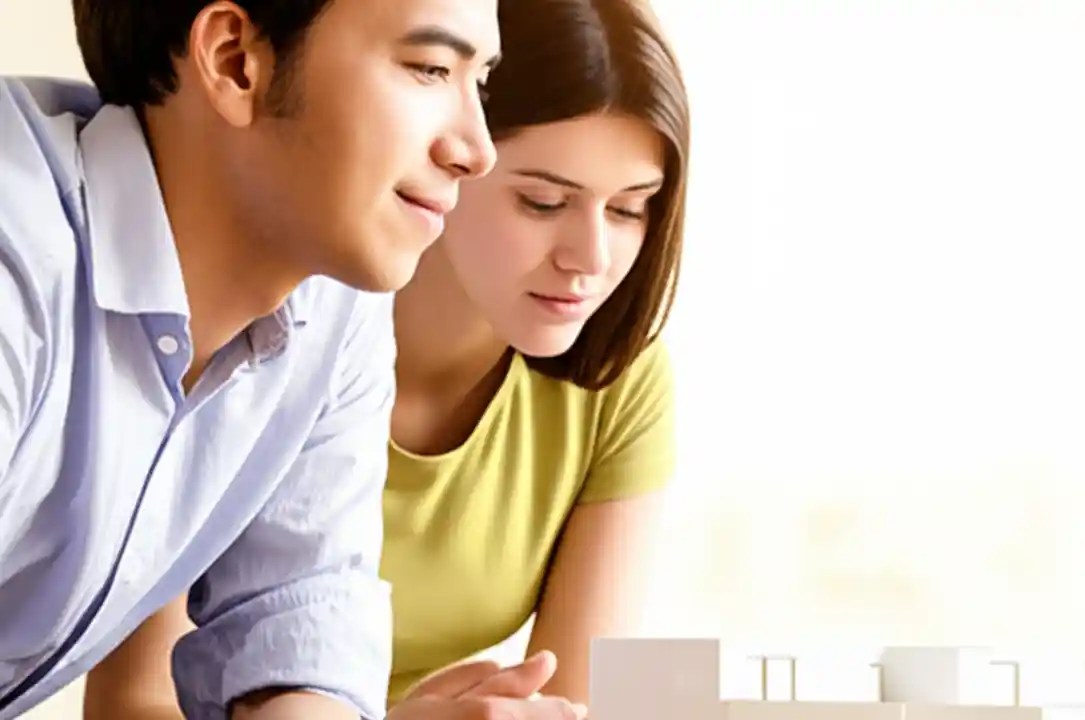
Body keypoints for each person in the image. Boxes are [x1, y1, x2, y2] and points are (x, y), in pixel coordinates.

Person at [82, 0, 692, 717]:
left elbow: (578, 705)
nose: (590, 259)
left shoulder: (617, 384)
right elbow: (131, 701)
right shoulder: (268, 330)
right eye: (542, 202)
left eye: (629, 210)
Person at [0, 0, 500, 717]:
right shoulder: (15, 259)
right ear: (236, 62)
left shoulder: (331, 304)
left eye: (480, 81)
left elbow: (299, 631)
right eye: (429, 69)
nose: (477, 148)